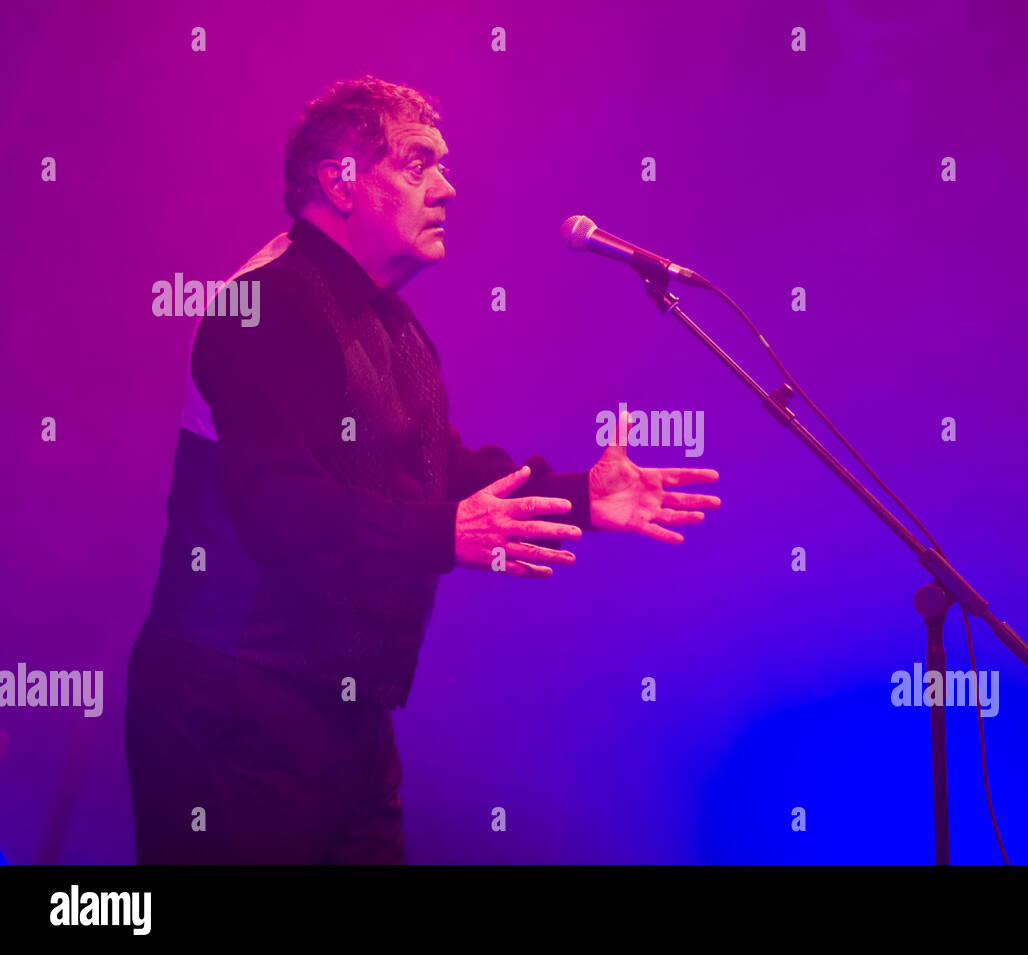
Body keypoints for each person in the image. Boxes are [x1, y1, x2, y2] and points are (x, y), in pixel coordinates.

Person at [126, 75, 721, 864]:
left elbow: (433, 470)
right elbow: (279, 506)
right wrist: (448, 533)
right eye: (417, 164)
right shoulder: (262, 307)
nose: (447, 185)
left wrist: (581, 496)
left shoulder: (390, 322)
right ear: (341, 181)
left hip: (342, 713)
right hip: (235, 712)